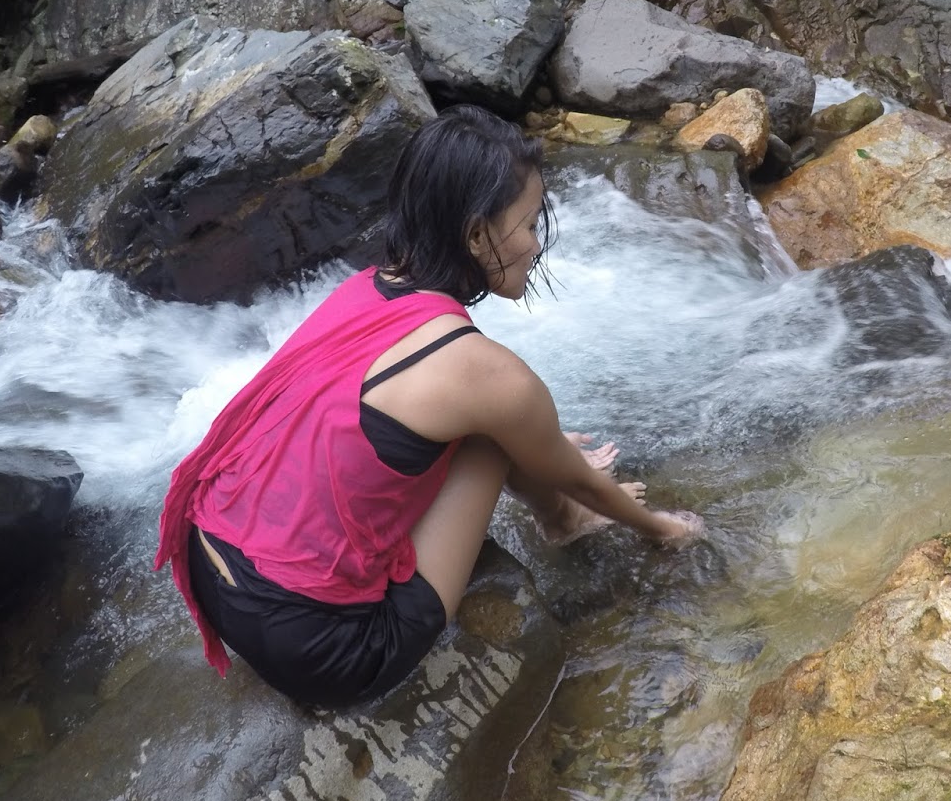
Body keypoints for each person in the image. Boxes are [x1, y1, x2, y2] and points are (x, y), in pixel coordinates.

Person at [154, 105, 702, 707]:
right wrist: (660, 528)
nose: (537, 243)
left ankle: (547, 482)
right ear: (475, 235)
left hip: (214, 566)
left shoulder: (363, 290)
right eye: (527, 223)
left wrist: (542, 444)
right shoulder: (484, 373)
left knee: (502, 430)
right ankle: (562, 523)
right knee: (495, 439)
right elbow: (578, 476)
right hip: (321, 646)